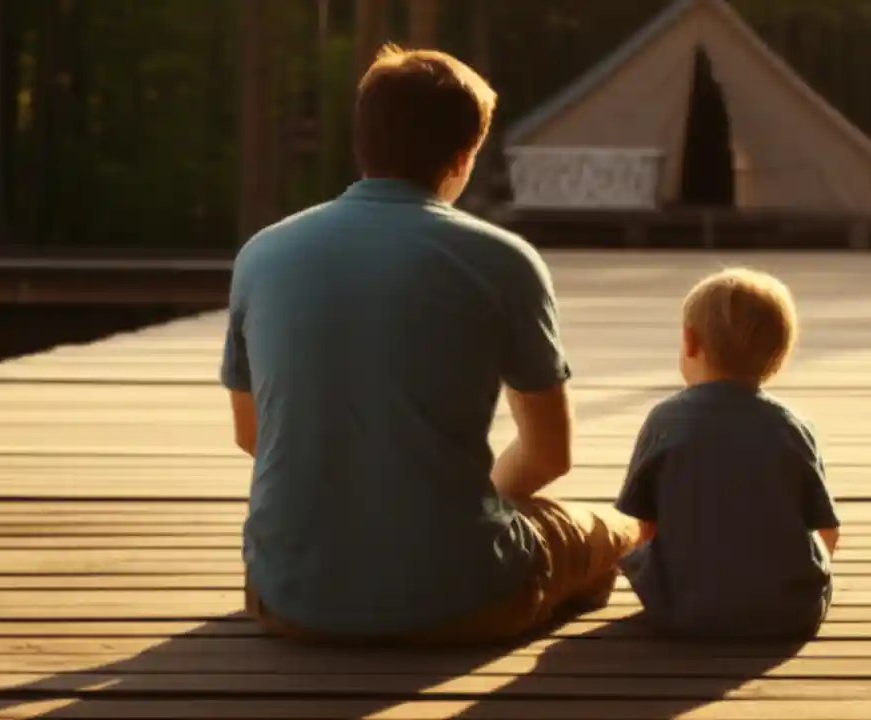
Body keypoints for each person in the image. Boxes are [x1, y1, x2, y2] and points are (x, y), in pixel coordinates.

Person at [221, 46, 636, 646]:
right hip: (465, 600)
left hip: (287, 598)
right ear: (465, 156)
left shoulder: (262, 253)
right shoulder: (503, 260)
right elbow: (549, 456)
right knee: (611, 528)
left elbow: (252, 435)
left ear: (360, 142)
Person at [615, 268, 841, 640]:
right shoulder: (792, 427)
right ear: (780, 356)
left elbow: (642, 525)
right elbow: (827, 528)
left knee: (619, 538)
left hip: (682, 611)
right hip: (788, 616)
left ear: (690, 342)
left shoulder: (665, 420)